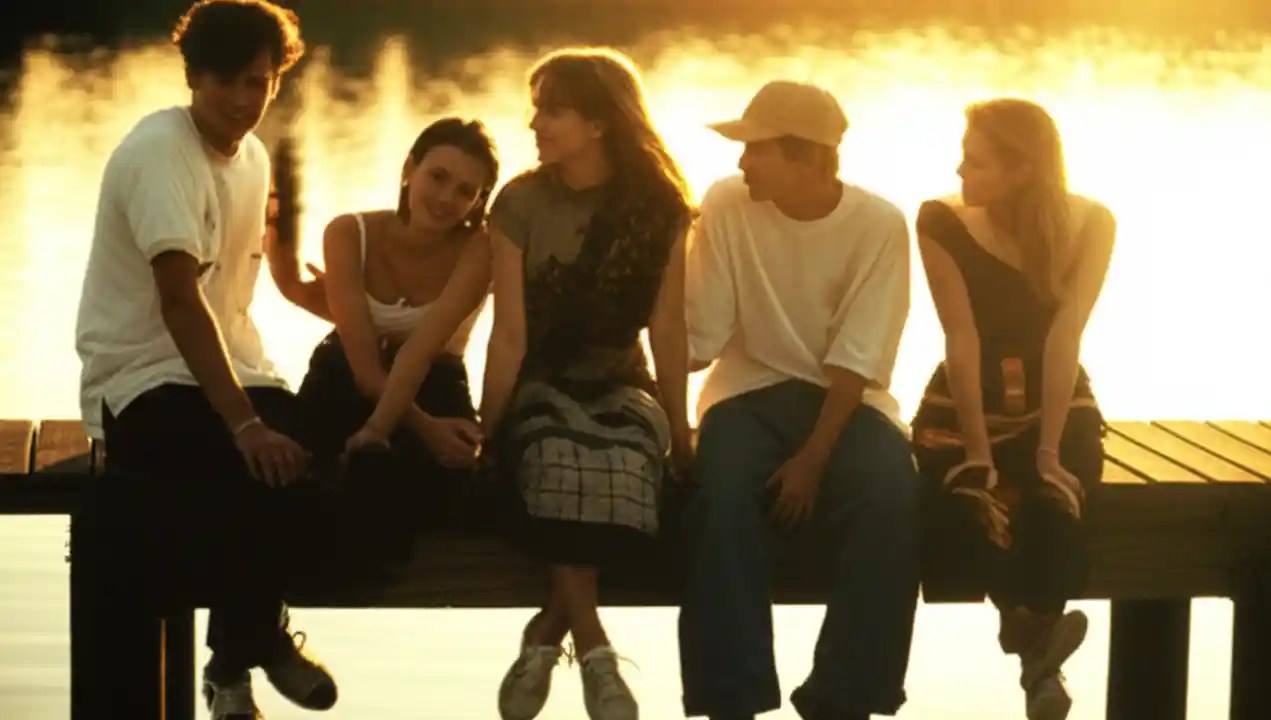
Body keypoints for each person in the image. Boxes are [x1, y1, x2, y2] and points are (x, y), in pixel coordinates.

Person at [348, 46, 694, 720]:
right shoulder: (522, 202)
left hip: (625, 382)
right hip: (542, 382)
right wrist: (492, 427)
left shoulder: (661, 205)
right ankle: (595, 650)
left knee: (626, 464)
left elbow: (669, 330)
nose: (534, 123)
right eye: (537, 109)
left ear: (598, 123)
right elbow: (509, 335)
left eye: (552, 110)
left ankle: (546, 634)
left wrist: (680, 433)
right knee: (559, 456)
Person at [73, 2, 338, 718]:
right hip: (139, 384)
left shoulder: (252, 157)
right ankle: (264, 645)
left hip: (229, 375)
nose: (244, 101)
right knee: (246, 462)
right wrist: (247, 426)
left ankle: (230, 658)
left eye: (260, 82)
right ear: (193, 76)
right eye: (227, 81)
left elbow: (243, 301)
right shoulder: (160, 152)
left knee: (319, 454)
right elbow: (180, 302)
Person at [678, 80, 922, 720]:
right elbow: (702, 335)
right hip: (745, 392)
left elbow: (859, 355)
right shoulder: (726, 204)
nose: (740, 162)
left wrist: (814, 458)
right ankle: (731, 701)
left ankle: (846, 700)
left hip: (845, 402)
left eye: (756, 149)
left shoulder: (880, 224)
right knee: (723, 493)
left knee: (891, 494)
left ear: (811, 159)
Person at [910, 98, 1116, 720]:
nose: (958, 171)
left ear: (1022, 169)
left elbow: (1065, 336)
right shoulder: (939, 222)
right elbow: (961, 338)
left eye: (975, 162)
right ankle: (1039, 656)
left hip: (1058, 402)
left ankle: (1028, 640)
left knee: (1058, 499)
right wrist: (978, 451)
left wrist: (1049, 448)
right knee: (974, 505)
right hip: (964, 404)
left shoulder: (1091, 224)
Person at [268, 119, 497, 558]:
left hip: (435, 385)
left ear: (478, 201)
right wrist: (426, 430)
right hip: (346, 381)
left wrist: (440, 430)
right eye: (438, 177)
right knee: (292, 483)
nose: (448, 198)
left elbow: (419, 352)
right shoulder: (349, 233)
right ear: (409, 167)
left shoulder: (479, 249)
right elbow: (366, 369)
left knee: (419, 489)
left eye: (466, 191)